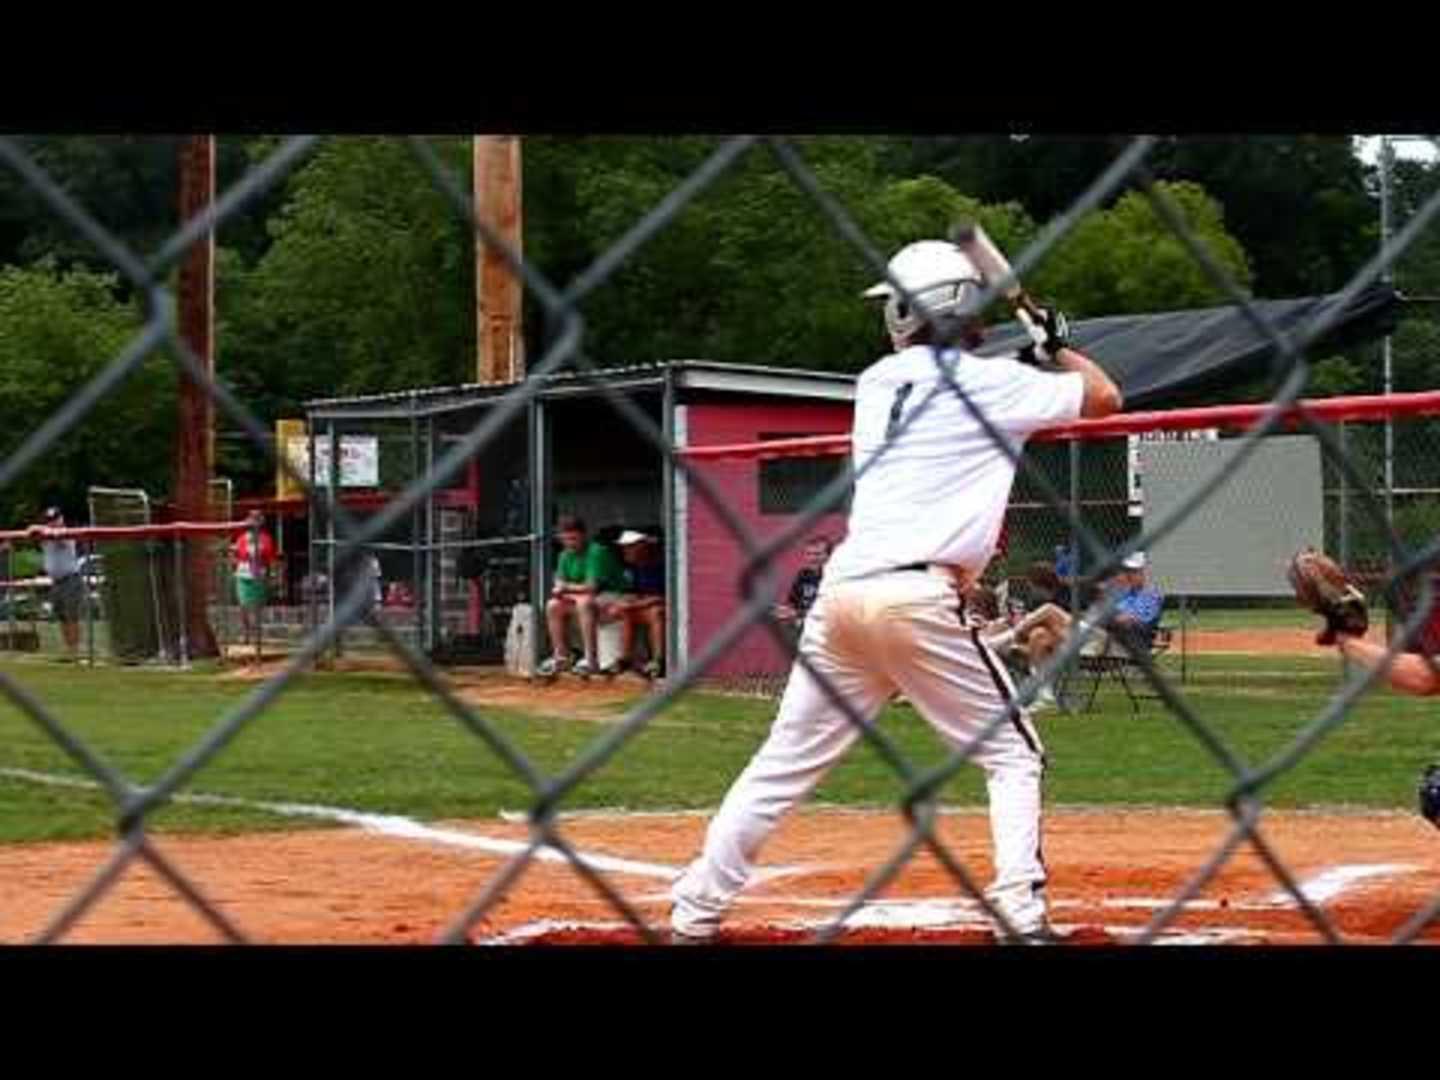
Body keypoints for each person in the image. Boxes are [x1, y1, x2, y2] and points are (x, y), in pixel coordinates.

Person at [669, 237, 1123, 944]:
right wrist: (1057, 345)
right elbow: (1104, 397)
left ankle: (694, 912)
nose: (892, 317)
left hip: (843, 597)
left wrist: (1028, 356)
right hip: (918, 598)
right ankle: (1020, 914)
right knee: (1012, 754)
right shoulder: (994, 385)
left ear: (919, 312)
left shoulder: (878, 381)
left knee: (781, 766)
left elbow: (963, 389)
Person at [540, 515, 628, 678]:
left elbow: (592, 587)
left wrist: (565, 588)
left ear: (584, 535)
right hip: (586, 596)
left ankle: (591, 660)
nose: (570, 543)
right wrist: (564, 589)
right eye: (566, 539)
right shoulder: (564, 555)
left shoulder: (597, 551)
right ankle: (562, 657)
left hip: (615, 595)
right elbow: (559, 582)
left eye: (574, 538)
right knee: (553, 605)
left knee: (584, 603)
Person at [602, 530, 666, 679]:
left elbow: (661, 597)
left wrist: (633, 605)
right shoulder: (635, 566)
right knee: (625, 612)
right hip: (646, 605)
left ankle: (659, 661)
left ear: (642, 547)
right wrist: (620, 603)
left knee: (656, 612)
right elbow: (635, 592)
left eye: (630, 547)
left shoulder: (659, 565)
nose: (625, 551)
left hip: (663, 606)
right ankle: (625, 659)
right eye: (624, 547)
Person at [26, 507, 83, 662]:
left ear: (61, 519)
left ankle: (75, 651)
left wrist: (45, 529)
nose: (53, 523)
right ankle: (68, 649)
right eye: (50, 520)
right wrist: (38, 529)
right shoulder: (45, 534)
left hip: (70, 578)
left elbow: (58, 536)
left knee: (72, 616)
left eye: (55, 519)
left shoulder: (66, 533)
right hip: (56, 581)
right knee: (62, 616)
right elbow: (32, 531)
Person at [231, 511, 277, 648]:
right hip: (243, 574)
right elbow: (236, 556)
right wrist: (236, 563)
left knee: (257, 606)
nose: (254, 523)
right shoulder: (241, 538)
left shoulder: (266, 539)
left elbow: (269, 558)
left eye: (257, 519)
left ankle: (257, 635)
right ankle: (246, 634)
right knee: (243, 605)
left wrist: (269, 574)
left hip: (259, 574)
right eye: (252, 519)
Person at [771, 535, 833, 636]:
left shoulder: (835, 578)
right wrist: (783, 610)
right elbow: (793, 602)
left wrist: (797, 614)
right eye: (809, 554)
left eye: (817, 554)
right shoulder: (803, 575)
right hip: (802, 627)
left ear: (828, 556)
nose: (812, 558)